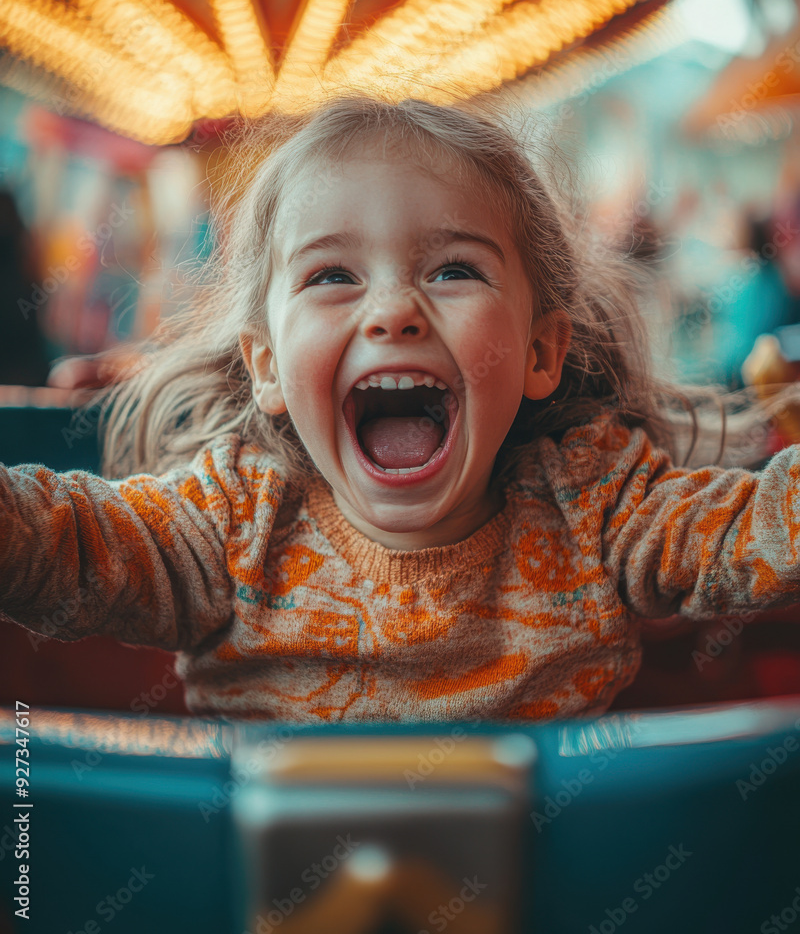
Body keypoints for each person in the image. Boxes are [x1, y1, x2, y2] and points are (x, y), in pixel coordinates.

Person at [1, 96, 799, 723]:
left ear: (540, 353)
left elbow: (756, 529)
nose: (393, 311)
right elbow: (66, 540)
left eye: (454, 269)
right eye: (331, 276)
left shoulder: (596, 503)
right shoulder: (234, 518)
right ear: (268, 366)